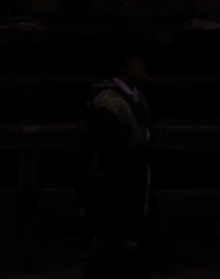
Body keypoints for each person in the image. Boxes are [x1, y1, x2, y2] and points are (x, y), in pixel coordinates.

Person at [82, 28, 152, 278]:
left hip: (136, 198)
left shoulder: (134, 100)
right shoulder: (109, 107)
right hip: (116, 207)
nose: (143, 63)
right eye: (137, 58)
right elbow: (100, 167)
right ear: (121, 64)